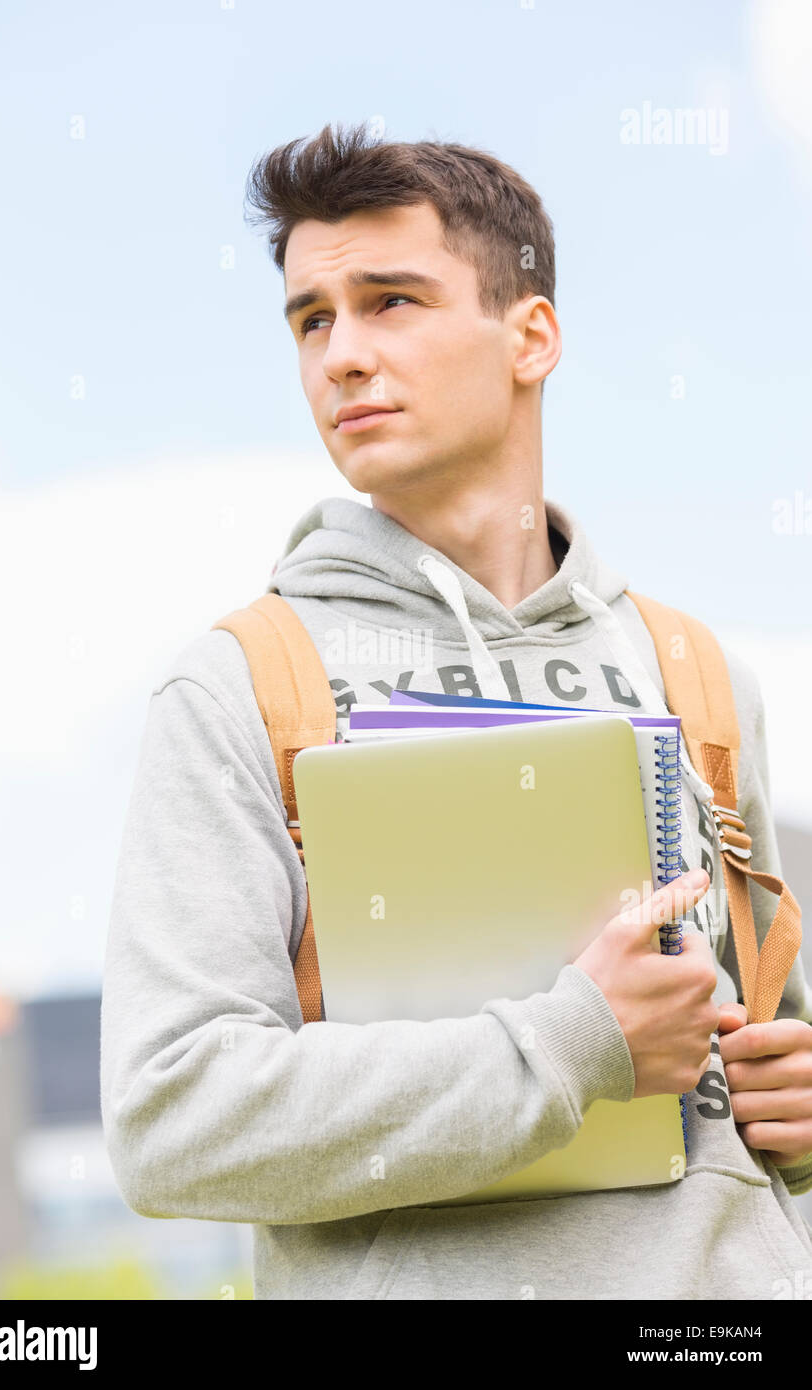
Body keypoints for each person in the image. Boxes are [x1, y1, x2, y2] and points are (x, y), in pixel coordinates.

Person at [100, 122, 812, 1300]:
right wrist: (572, 1046)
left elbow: (759, 1070)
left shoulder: (696, 669)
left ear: (530, 334)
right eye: (311, 318)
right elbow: (172, 1119)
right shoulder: (236, 685)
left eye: (391, 301)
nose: (340, 354)